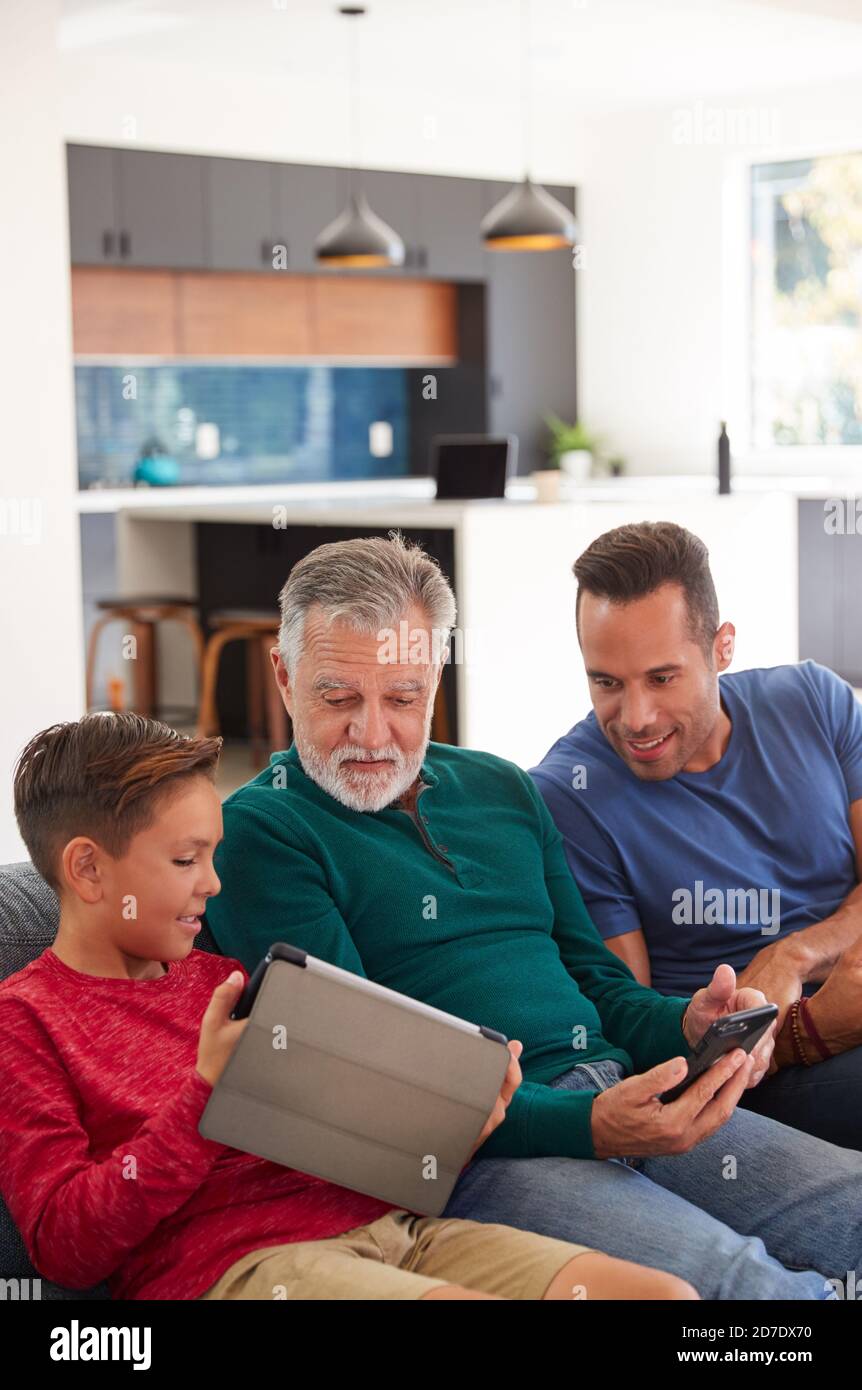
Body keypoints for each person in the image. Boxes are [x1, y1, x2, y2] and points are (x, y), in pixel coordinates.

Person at [206, 532, 860, 1300]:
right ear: (284, 677)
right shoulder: (261, 832)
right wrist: (587, 1125)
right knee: (749, 1292)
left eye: (403, 697)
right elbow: (368, 1093)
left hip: (627, 1095)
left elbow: (598, 988)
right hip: (486, 1160)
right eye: (338, 697)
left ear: (435, 679)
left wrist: (686, 1024)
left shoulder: (501, 789)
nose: (372, 735)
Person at [0, 712, 688, 1302]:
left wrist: (461, 1121)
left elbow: (354, 1140)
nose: (213, 882)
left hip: (400, 1236)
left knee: (661, 1295)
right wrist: (202, 1097)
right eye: (187, 861)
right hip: (242, 1267)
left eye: (214, 856)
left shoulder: (232, 977)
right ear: (88, 869)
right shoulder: (25, 1021)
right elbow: (66, 1247)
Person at [532, 519, 862, 1152]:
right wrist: (808, 1027)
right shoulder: (569, 794)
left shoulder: (816, 701)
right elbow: (628, 1030)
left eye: (661, 678)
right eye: (606, 682)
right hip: (758, 1074)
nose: (635, 720)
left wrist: (795, 954)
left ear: (721, 648)